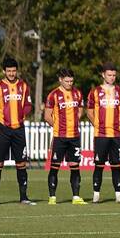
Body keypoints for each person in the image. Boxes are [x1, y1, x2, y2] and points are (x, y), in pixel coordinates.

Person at [0, 56, 34, 205]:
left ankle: (24, 197)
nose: (11, 73)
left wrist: (22, 114)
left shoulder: (23, 86)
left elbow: (28, 104)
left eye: (13, 71)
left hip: (18, 129)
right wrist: (0, 120)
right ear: (4, 71)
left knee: (21, 163)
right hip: (3, 129)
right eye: (8, 71)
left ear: (17, 71)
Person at [44, 69, 86, 205]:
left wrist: (75, 120)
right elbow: (47, 116)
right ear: (60, 80)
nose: (69, 83)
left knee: (75, 166)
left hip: (74, 136)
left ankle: (76, 197)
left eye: (71, 81)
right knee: (55, 167)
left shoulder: (77, 93)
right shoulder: (53, 95)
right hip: (60, 137)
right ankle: (52, 197)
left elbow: (80, 109)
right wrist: (57, 127)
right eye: (67, 81)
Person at [87, 63, 120, 204]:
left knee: (116, 165)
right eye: (109, 75)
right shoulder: (95, 92)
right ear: (103, 75)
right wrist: (97, 124)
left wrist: (116, 121)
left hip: (116, 135)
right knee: (99, 165)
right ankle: (96, 195)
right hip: (101, 135)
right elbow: (89, 112)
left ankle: (118, 196)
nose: (112, 77)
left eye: (114, 75)